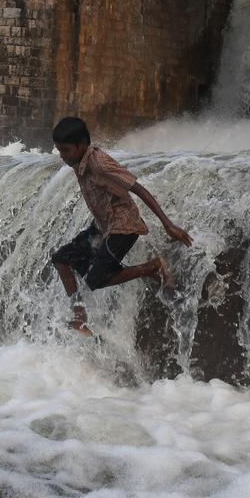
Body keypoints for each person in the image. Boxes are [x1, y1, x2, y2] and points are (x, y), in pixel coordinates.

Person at [49, 116, 193, 335]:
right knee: (62, 259)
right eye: (59, 151)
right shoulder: (79, 161)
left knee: (96, 279)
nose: (62, 156)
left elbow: (139, 189)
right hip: (103, 226)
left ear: (81, 145)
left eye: (65, 151)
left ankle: (154, 267)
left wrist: (168, 224)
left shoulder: (100, 163)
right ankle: (80, 317)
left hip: (124, 227)